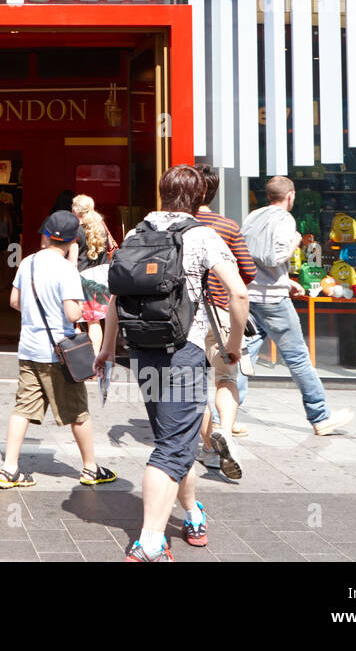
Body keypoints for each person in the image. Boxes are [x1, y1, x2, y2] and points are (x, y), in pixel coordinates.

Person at [95, 165, 248, 561]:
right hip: (185, 351)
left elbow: (116, 297)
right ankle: (149, 541)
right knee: (170, 451)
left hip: (143, 351)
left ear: (161, 192)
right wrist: (233, 346)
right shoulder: (202, 234)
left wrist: (108, 348)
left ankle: (194, 512)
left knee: (174, 441)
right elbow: (239, 294)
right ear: (199, 198)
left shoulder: (136, 233)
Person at [0, 211, 116, 489]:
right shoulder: (66, 270)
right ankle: (90, 468)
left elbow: (15, 300)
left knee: (22, 409)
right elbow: (72, 314)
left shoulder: (28, 263)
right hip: (59, 355)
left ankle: (9, 469)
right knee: (78, 412)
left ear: (45, 236)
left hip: (29, 350)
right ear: (73, 241)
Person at [240, 176, 354, 436]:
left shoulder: (253, 216)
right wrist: (294, 241)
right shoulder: (285, 220)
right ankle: (321, 416)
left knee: (245, 357)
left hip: (252, 295)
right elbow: (273, 257)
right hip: (273, 301)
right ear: (290, 196)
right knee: (298, 358)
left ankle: (226, 414)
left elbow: (248, 256)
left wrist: (286, 281)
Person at [192, 165, 256, 479]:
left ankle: (206, 446)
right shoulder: (228, 226)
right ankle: (226, 433)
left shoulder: (181, 225)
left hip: (187, 314)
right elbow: (249, 271)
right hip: (221, 312)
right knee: (225, 379)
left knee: (192, 387)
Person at [69, 193, 115, 357]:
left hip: (83, 278)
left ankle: (81, 359)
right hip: (102, 276)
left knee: (75, 319)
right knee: (94, 321)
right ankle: (95, 357)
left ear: (76, 210)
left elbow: (73, 262)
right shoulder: (101, 226)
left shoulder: (76, 231)